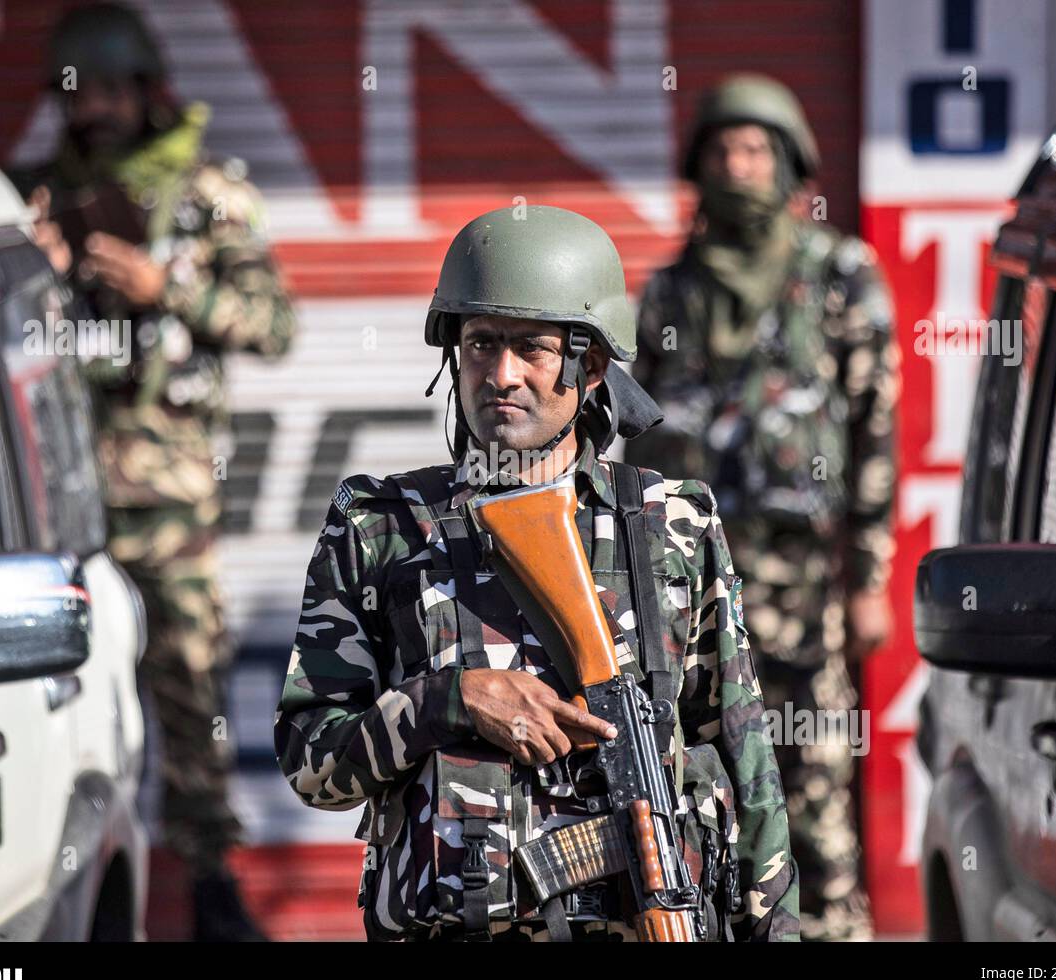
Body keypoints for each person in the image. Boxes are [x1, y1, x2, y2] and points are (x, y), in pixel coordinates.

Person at [275, 205, 799, 941]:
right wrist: (447, 700)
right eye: (481, 343)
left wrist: (774, 930)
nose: (502, 374)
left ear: (590, 367)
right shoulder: (379, 525)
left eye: (533, 348)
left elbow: (748, 763)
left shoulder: (673, 521)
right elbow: (310, 758)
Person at [13, 2, 296, 941]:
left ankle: (214, 891)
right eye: (74, 93)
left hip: (167, 503)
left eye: (106, 89)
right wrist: (35, 279)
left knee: (187, 691)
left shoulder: (208, 196)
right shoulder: (35, 199)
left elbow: (272, 323)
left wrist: (163, 284)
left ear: (143, 88)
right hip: (53, 513)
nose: (89, 109)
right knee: (46, 699)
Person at [625, 75, 898, 941]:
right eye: (721, 150)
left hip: (801, 580)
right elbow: (634, 436)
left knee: (812, 773)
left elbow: (874, 425)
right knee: (695, 777)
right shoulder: (669, 293)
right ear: (697, 168)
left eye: (755, 150)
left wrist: (872, 576)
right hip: (688, 583)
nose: (738, 167)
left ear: (787, 166)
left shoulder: (839, 275)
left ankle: (832, 926)